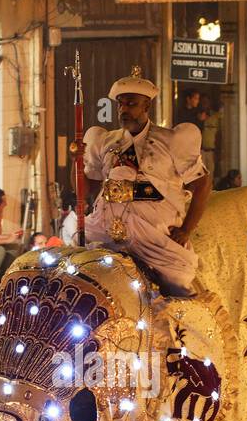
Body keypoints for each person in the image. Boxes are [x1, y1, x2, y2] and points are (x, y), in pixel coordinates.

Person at [83, 71, 211, 296]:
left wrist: (186, 230)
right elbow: (88, 186)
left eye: (131, 104)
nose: (124, 110)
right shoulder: (105, 141)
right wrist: (76, 164)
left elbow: (202, 184)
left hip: (156, 240)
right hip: (107, 235)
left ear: (146, 106)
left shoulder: (170, 141)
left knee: (178, 288)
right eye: (120, 105)